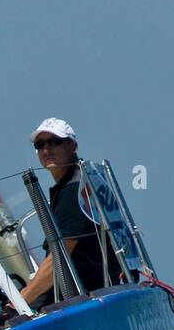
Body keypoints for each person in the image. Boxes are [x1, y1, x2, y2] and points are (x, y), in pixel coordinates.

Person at [17, 118, 116, 311]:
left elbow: (60, 257)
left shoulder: (74, 189)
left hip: (92, 294)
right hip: (100, 287)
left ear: (73, 146)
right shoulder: (84, 177)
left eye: (55, 142)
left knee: (13, 313)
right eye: (40, 144)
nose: (47, 150)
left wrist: (20, 301)